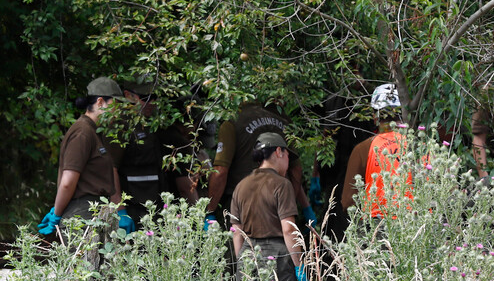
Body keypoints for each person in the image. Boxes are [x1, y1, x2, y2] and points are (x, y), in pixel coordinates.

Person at [206, 101, 317, 231]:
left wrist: (210, 211)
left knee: (242, 247)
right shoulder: (283, 121)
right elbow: (296, 169)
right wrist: (295, 206)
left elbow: (221, 170)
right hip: (277, 201)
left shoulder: (232, 122)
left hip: (241, 201)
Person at [38, 77, 129, 237]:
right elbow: (67, 182)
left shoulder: (94, 131)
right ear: (100, 102)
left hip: (94, 215)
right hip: (82, 217)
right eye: (116, 104)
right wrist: (57, 214)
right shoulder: (82, 132)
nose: (119, 111)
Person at [228, 132, 305, 281]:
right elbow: (288, 229)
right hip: (277, 256)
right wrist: (299, 266)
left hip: (248, 253)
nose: (288, 161)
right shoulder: (282, 184)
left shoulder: (241, 185)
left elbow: (237, 232)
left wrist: (242, 260)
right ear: (279, 151)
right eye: (287, 155)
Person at [117, 79, 197, 222]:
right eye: (146, 98)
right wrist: (120, 210)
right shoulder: (120, 128)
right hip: (133, 209)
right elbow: (110, 170)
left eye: (155, 98)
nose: (152, 103)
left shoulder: (160, 127)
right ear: (129, 95)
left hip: (159, 209)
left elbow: (184, 181)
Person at [339, 83, 412, 217]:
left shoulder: (362, 149)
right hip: (417, 226)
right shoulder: (419, 146)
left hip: (377, 228)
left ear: (375, 116)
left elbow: (348, 202)